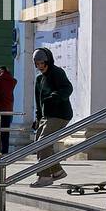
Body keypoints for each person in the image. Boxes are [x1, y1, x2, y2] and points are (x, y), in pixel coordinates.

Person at [30, 47, 73, 187]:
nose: (40, 67)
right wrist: (37, 119)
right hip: (46, 115)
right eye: (37, 64)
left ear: (48, 61)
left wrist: (55, 96)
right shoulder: (39, 80)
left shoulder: (57, 72)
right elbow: (38, 101)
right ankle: (57, 171)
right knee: (39, 143)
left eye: (42, 63)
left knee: (44, 143)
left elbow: (67, 88)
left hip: (60, 114)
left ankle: (44, 177)